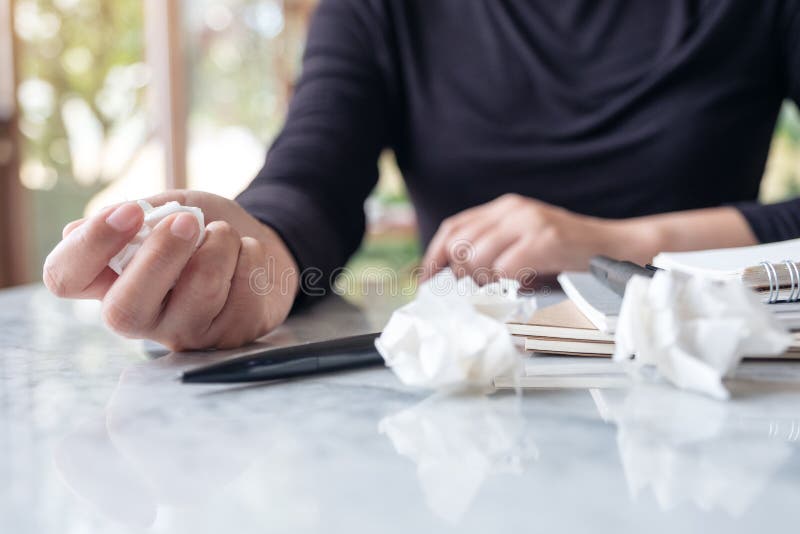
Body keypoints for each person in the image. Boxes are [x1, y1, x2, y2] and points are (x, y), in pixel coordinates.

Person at [43, 0, 800, 350]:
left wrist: (620, 242)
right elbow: (311, 180)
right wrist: (257, 258)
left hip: (716, 378)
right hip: (467, 404)